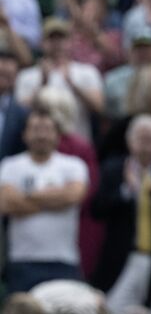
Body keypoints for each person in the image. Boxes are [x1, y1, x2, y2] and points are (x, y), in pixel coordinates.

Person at [91, 115, 151, 314]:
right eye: (142, 139)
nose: (146, 146)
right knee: (114, 313)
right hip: (125, 257)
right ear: (130, 140)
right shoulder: (114, 169)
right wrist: (127, 190)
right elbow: (97, 209)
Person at [0, 104, 89, 292]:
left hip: (63, 260)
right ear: (24, 134)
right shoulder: (10, 166)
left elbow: (74, 195)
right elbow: (5, 203)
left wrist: (25, 197)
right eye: (35, 130)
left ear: (57, 135)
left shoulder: (73, 166)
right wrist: (56, 199)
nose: (41, 135)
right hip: (22, 261)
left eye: (47, 130)